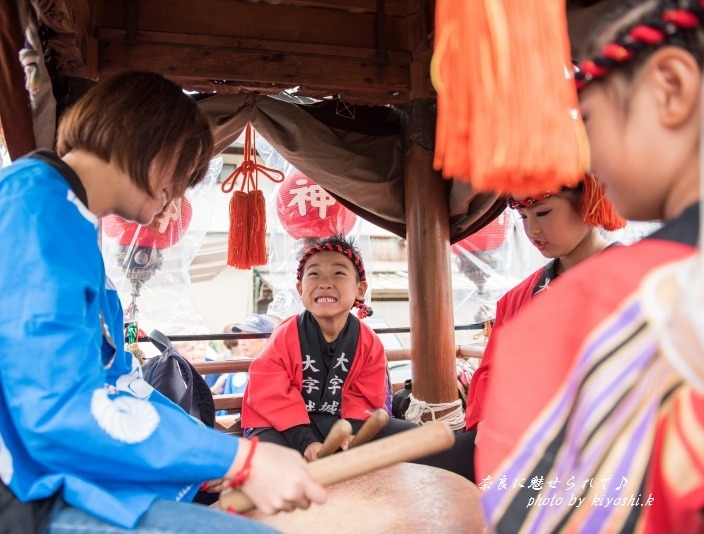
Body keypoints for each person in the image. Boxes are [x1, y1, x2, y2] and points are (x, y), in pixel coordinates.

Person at [0, 71, 326, 534]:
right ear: (148, 139)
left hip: (32, 472)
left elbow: (118, 382)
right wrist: (236, 457)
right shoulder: (32, 207)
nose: (177, 196)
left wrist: (207, 456)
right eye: (183, 172)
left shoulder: (60, 214)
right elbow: (58, 410)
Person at [476, 2, 703, 532]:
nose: (589, 156)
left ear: (671, 87)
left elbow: (536, 504)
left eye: (592, 121)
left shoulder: (618, 297)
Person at [429, 176, 626, 482]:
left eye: (542, 212)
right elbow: (492, 375)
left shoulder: (642, 282)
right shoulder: (517, 298)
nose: (532, 230)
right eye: (522, 216)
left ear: (589, 202)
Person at [241, 235, 418, 462]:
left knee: (412, 437)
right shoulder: (284, 336)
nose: (325, 283)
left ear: (360, 289)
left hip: (339, 424)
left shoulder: (368, 342)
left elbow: (364, 398)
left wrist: (352, 434)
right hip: (281, 426)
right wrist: (306, 442)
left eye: (338, 273)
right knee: (272, 461)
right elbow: (270, 394)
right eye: (314, 274)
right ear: (300, 288)